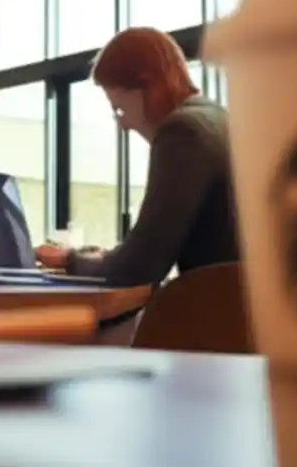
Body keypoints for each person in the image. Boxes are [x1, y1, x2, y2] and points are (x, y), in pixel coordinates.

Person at [38, 27, 239, 287]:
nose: (123, 125)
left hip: (216, 314)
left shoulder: (182, 132)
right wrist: (101, 257)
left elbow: (139, 267)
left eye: (120, 109)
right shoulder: (216, 118)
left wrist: (70, 261)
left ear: (149, 87)